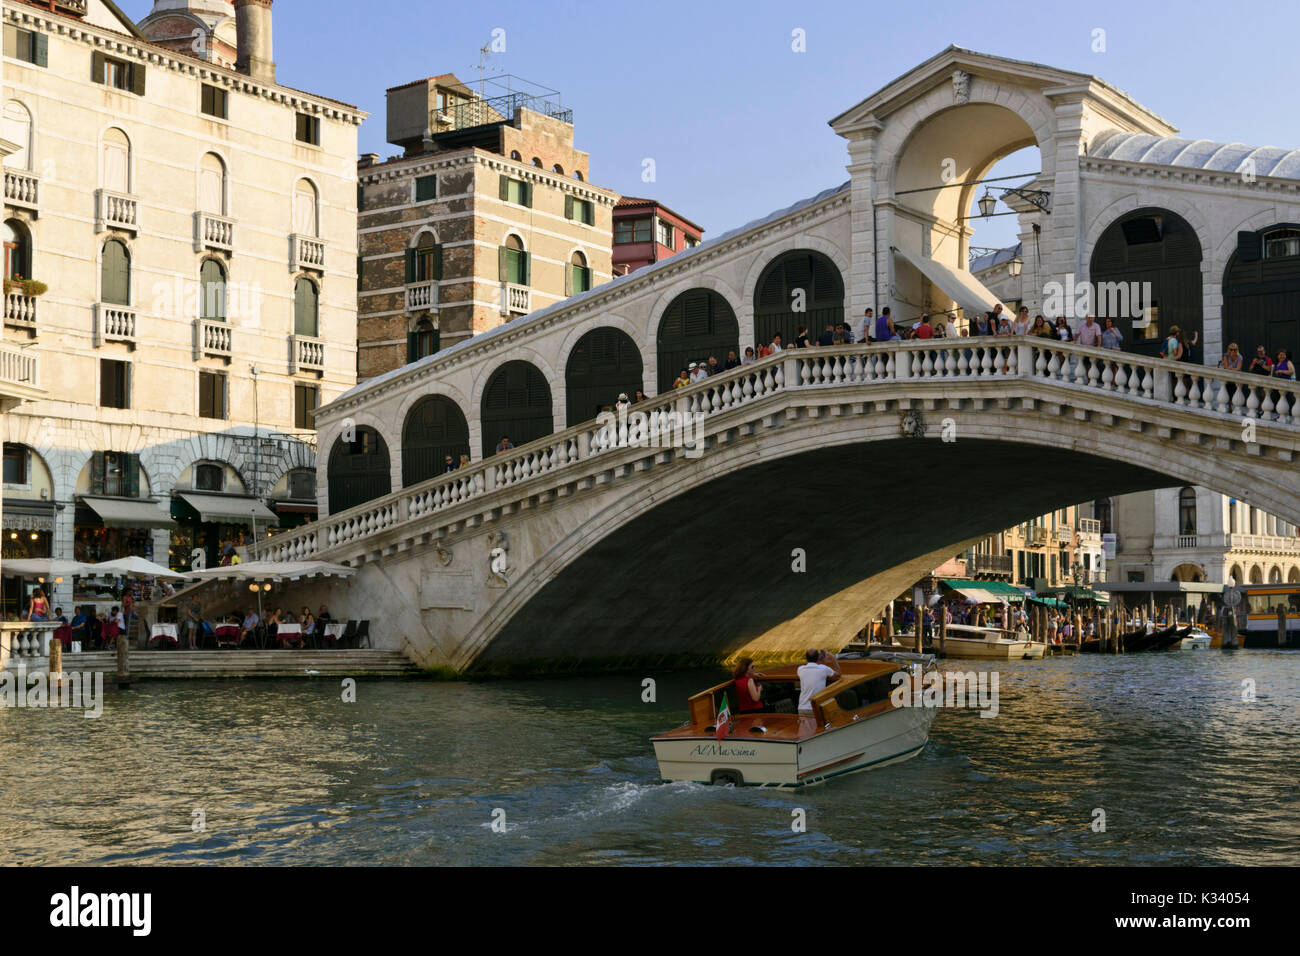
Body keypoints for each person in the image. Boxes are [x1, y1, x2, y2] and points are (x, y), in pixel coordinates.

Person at [797, 650, 840, 714]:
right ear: (818, 658)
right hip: (817, 707)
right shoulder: (824, 669)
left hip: (802, 707)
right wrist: (833, 658)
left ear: (806, 658)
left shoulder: (800, 669)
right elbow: (839, 674)